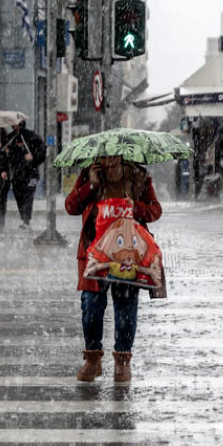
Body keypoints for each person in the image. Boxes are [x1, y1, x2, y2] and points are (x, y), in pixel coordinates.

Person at [65, 155, 162, 384]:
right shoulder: (89, 172)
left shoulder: (138, 175)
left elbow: (155, 211)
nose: (108, 160)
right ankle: (92, 357)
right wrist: (91, 185)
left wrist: (134, 207)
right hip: (94, 254)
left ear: (121, 155)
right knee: (91, 305)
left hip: (128, 255)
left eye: (113, 155)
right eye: (103, 155)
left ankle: (122, 360)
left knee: (126, 308)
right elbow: (71, 207)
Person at [3, 120, 46, 229]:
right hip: (17, 174)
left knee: (28, 196)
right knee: (19, 196)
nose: (15, 126)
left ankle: (26, 220)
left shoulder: (32, 136)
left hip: (32, 174)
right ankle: (24, 217)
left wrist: (33, 158)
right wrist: (7, 153)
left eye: (17, 124)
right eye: (13, 124)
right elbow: (5, 157)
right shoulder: (10, 138)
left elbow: (42, 152)